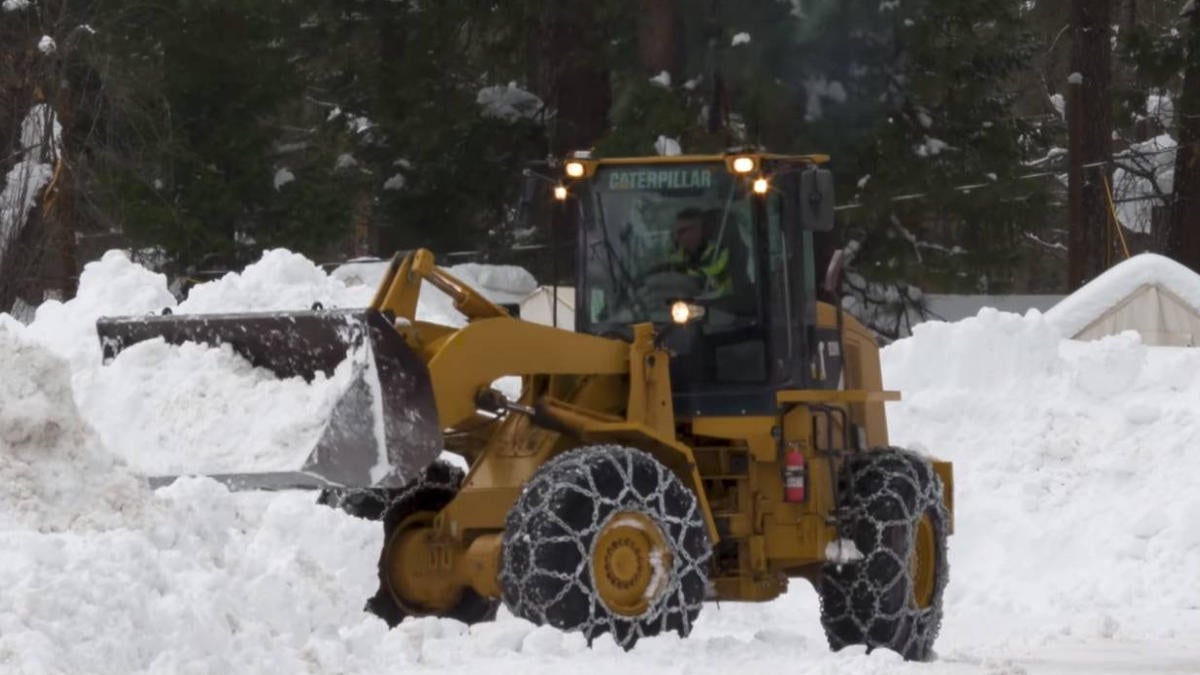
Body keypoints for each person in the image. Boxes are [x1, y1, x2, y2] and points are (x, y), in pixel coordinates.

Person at [664, 207, 733, 298]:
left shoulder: (720, 253)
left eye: (682, 232)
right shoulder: (674, 256)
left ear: (700, 230)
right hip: (683, 305)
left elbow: (714, 274)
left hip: (720, 305)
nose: (677, 237)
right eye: (675, 232)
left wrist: (684, 271)